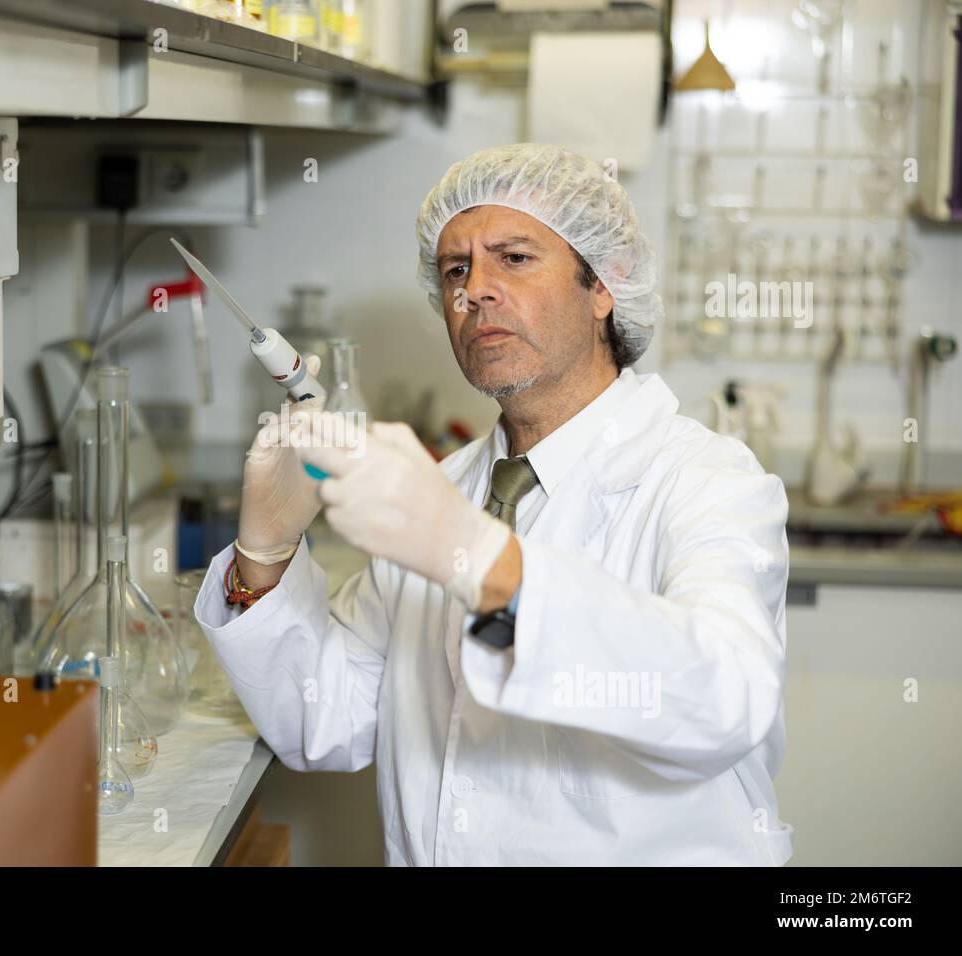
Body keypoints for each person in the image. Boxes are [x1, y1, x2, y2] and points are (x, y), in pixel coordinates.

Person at [194, 143, 794, 866]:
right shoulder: (440, 493)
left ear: (603, 284)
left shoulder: (708, 481)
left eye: (513, 258)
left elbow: (726, 698)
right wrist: (265, 555)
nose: (472, 291)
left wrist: (482, 561)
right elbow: (326, 720)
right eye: (455, 269)